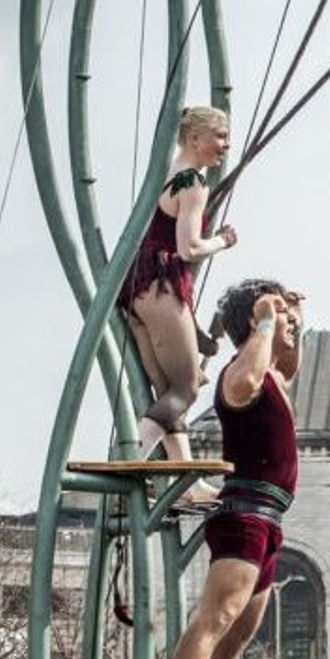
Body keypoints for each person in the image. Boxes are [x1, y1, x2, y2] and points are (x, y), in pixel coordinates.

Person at [149, 278, 303, 659]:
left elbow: (288, 365)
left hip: (269, 519)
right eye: (281, 317)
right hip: (245, 516)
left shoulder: (273, 375)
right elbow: (243, 385)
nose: (289, 323)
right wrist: (265, 321)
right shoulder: (240, 373)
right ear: (256, 325)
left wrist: (293, 321)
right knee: (216, 619)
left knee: (236, 637)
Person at [118, 105, 239, 462]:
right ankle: (130, 457)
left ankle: (183, 474)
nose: (226, 145)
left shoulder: (165, 173)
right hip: (162, 287)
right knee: (186, 389)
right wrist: (222, 241)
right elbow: (190, 249)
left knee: (167, 390)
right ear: (194, 138)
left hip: (137, 289)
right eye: (220, 136)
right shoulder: (192, 184)